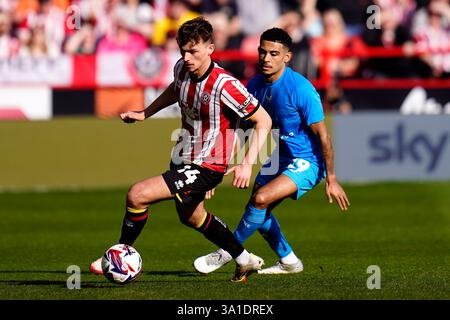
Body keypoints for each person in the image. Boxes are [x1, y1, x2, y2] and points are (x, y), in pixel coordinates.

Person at [89, 17, 273, 283]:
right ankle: (244, 260)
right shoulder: (181, 69)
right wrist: (146, 113)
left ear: (210, 48)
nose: (187, 57)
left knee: (137, 194)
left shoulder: (226, 85)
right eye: (183, 51)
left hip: (207, 165)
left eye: (193, 51)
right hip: (183, 155)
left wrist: (246, 163)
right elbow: (175, 90)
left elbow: (263, 120)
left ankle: (120, 252)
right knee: (192, 216)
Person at [194, 27, 350, 275]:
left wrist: (331, 178)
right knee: (258, 209)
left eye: (274, 53)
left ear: (286, 57)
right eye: (263, 52)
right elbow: (242, 128)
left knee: (260, 199)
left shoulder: (301, 89)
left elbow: (324, 135)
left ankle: (227, 252)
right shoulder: (254, 85)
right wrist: (216, 168)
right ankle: (288, 261)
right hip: (282, 156)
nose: (266, 58)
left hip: (309, 160)